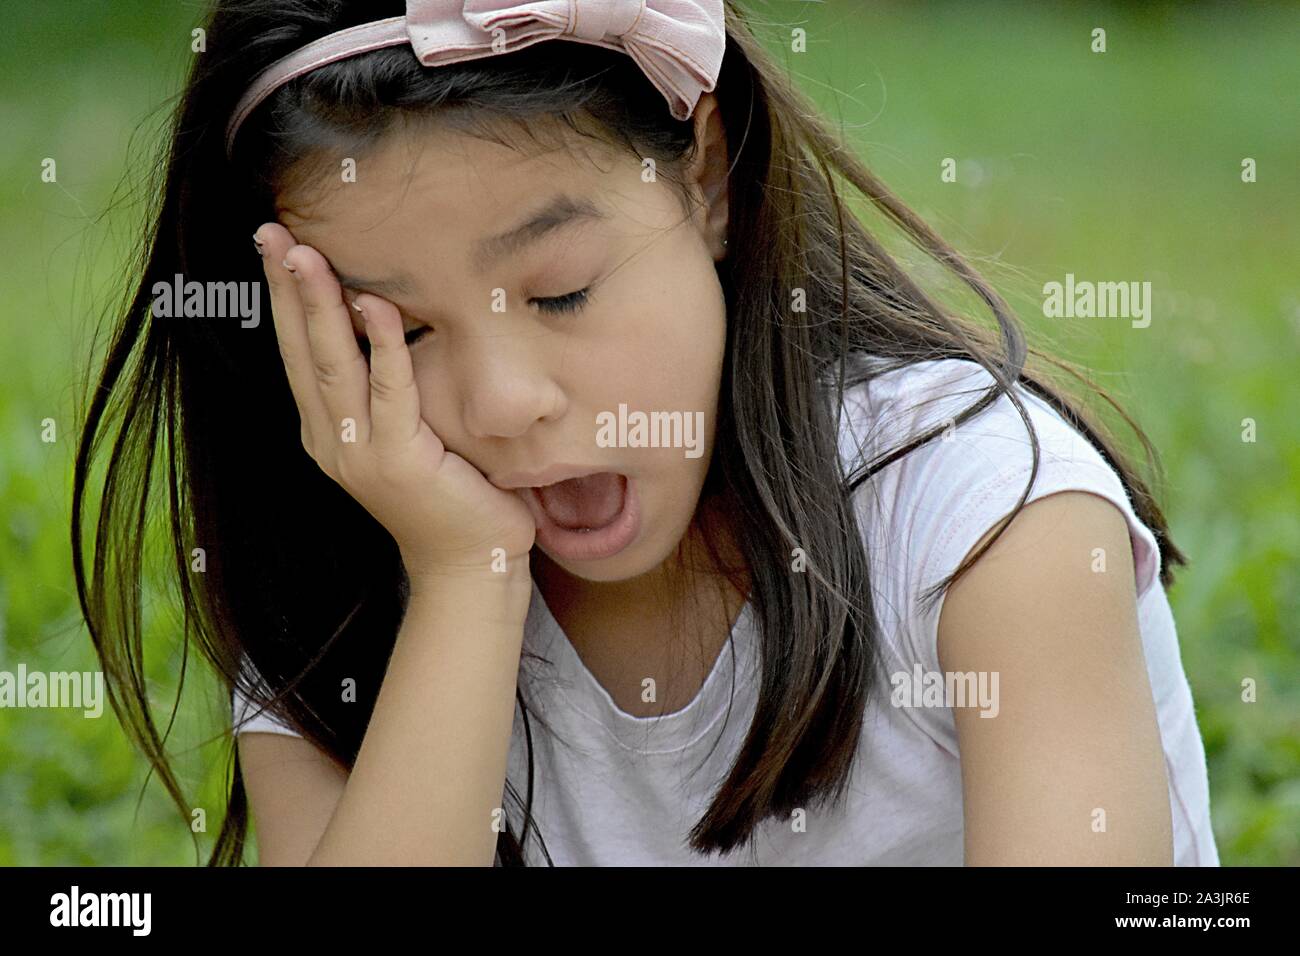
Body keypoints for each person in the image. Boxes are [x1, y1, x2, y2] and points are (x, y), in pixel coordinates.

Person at [73, 0, 1218, 866]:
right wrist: (466, 583)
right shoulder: (331, 592)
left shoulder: (985, 520)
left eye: (562, 290)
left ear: (705, 178)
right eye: (400, 331)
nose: (504, 400)